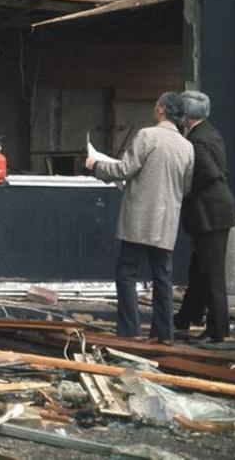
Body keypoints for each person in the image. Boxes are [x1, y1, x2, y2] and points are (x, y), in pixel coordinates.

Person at [86, 92, 193, 343]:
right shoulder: (187, 147)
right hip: (166, 221)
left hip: (138, 219)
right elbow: (185, 187)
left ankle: (129, 330)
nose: (154, 107)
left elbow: (124, 169)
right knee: (163, 279)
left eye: (156, 104)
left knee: (126, 273)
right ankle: (163, 333)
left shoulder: (147, 136)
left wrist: (96, 166)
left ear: (162, 110)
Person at [174, 91, 235, 342]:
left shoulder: (196, 141)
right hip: (217, 210)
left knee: (211, 274)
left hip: (209, 213)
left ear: (186, 115)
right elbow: (221, 169)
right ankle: (187, 316)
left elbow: (211, 173)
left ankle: (218, 329)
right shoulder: (210, 132)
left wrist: (187, 190)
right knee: (199, 269)